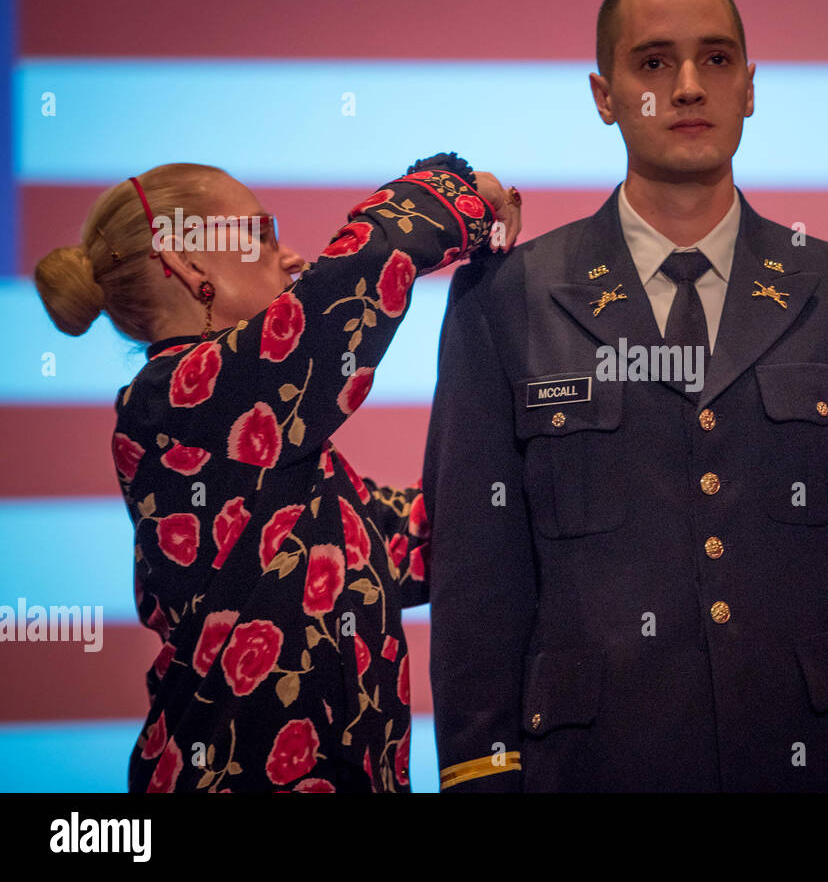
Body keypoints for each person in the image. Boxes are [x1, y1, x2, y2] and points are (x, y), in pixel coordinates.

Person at [423, 0, 828, 792]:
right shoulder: (507, 297)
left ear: (750, 87)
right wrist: (480, 773)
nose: (689, 88)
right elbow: (476, 575)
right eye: (655, 64)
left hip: (816, 762)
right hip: (591, 765)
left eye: (716, 60)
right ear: (604, 95)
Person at [35, 153, 519, 791]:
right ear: (187, 261)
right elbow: (359, 274)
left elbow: (426, 541)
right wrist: (465, 192)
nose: (289, 257)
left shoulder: (269, 446)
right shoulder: (175, 399)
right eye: (260, 235)